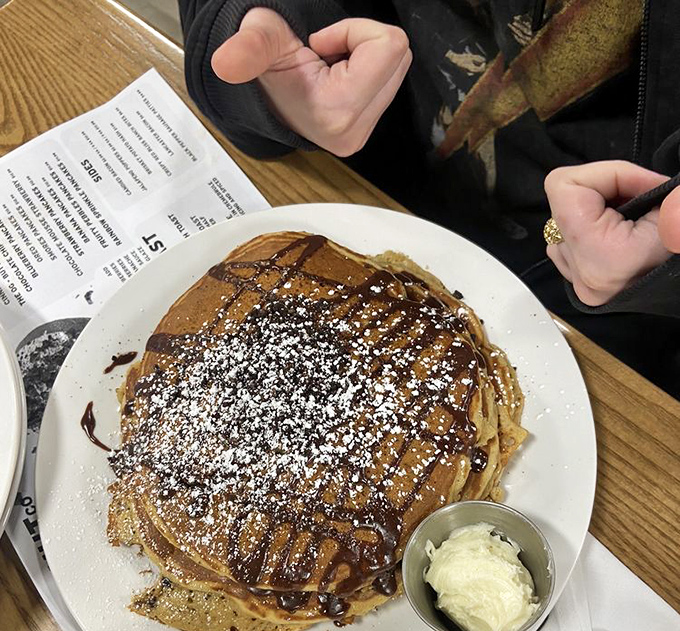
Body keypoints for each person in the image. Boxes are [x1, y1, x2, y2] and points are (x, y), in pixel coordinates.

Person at [179, 1, 680, 398]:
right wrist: (260, 25)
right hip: (363, 189)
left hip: (615, 333)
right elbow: (232, 26)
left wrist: (665, 276)